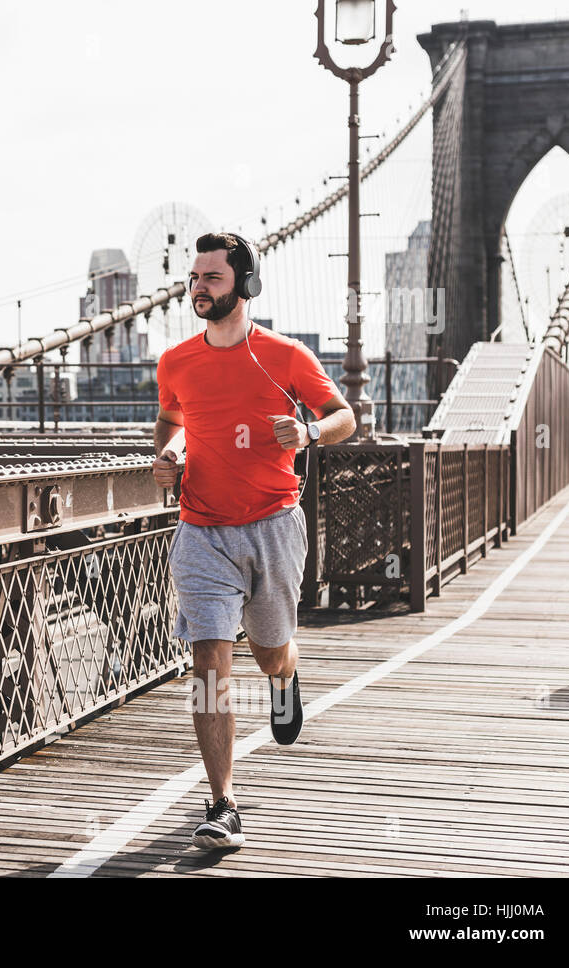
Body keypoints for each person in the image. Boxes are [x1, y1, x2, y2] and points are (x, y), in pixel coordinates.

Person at [152, 232, 356, 850]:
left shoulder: (285, 355)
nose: (198, 288)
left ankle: (284, 674)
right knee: (209, 658)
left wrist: (307, 432)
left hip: (272, 524)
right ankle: (223, 804)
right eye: (195, 277)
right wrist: (168, 452)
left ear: (246, 284)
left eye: (212, 278)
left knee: (269, 650)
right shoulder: (176, 361)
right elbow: (171, 421)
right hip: (202, 529)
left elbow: (344, 415)